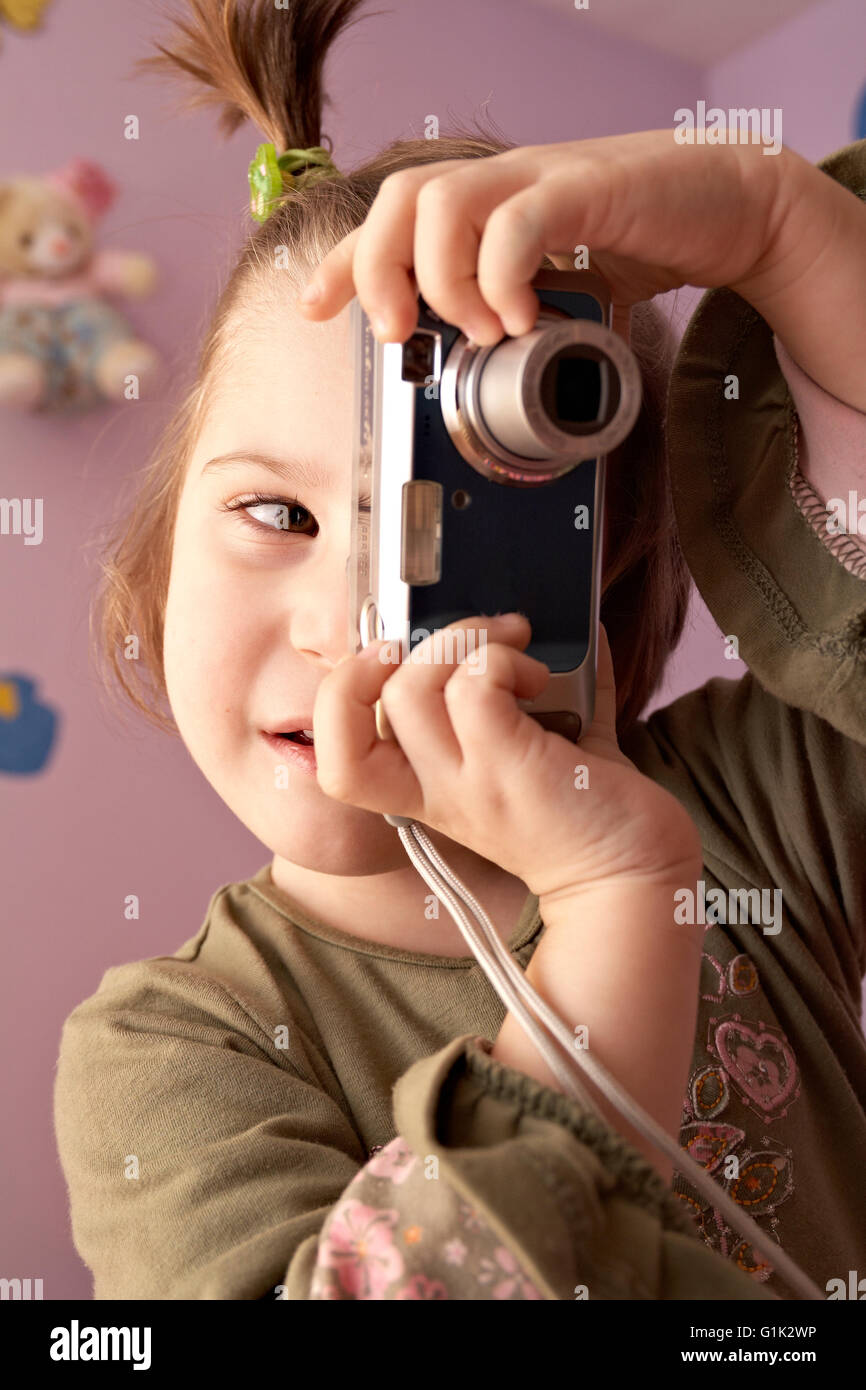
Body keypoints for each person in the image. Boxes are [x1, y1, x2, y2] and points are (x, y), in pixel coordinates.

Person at [53, 0, 866, 1300]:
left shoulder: (756, 805)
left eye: (446, 528)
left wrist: (779, 226)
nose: (346, 623)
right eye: (278, 515)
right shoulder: (172, 1048)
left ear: (604, 560)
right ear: (155, 568)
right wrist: (612, 904)